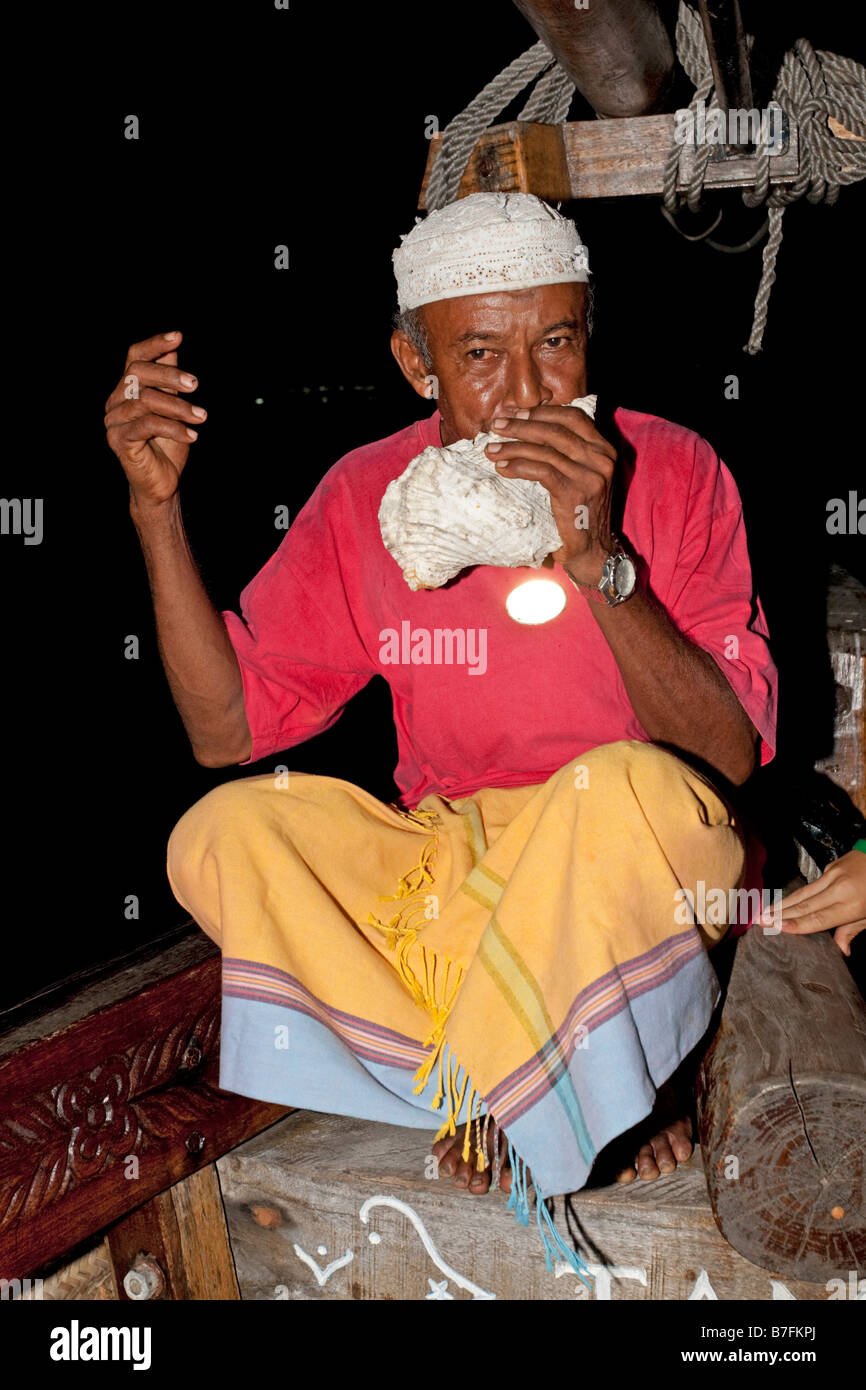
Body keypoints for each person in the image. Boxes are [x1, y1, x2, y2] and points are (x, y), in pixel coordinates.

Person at [104, 193, 779, 1274]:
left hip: (644, 856)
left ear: (586, 335)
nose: (529, 391)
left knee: (617, 792)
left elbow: (730, 757)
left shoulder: (670, 467)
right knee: (227, 832)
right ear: (414, 362)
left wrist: (599, 559)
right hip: (465, 873)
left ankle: (587, 1083)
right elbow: (226, 730)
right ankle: (516, 1074)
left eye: (555, 341)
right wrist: (155, 511)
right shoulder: (367, 492)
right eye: (480, 355)